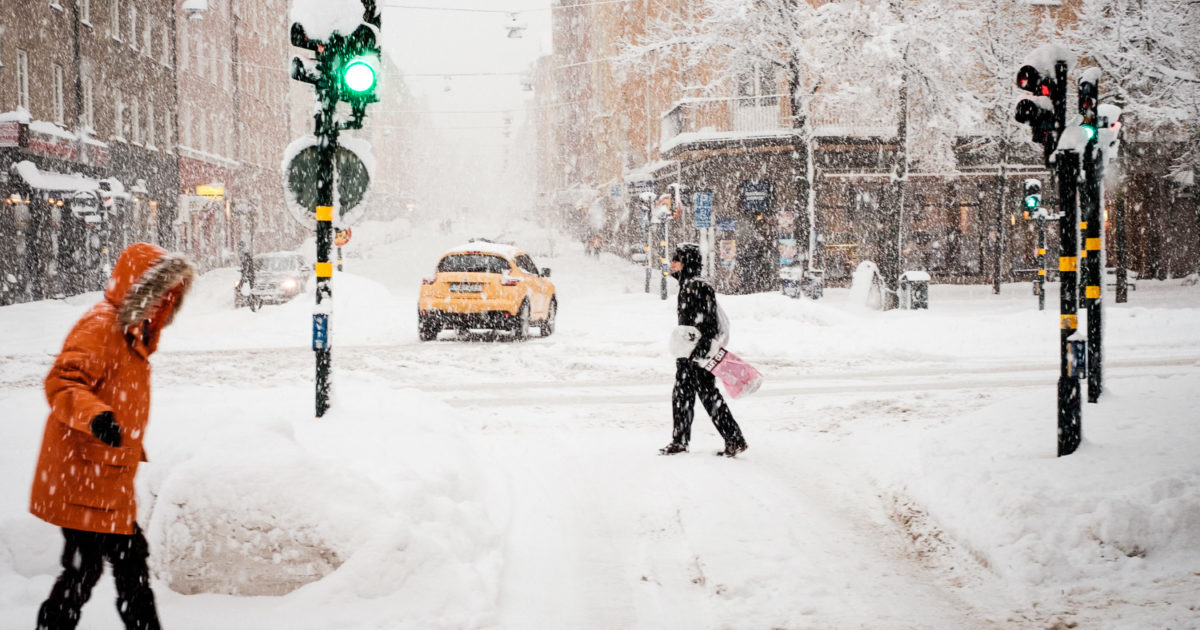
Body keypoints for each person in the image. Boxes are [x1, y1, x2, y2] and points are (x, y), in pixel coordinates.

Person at [30, 243, 195, 630]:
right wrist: (98, 416)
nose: (163, 305)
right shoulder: (102, 326)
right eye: (158, 295)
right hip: (82, 474)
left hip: (106, 476)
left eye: (171, 297)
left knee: (120, 566)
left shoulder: (130, 333)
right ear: (138, 290)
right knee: (90, 570)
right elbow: (62, 383)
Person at [660, 243, 748, 457]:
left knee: (701, 394)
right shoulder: (688, 284)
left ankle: (732, 438)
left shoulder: (697, 286)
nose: (672, 264)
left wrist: (699, 349)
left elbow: (707, 322)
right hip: (689, 351)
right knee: (685, 394)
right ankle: (682, 440)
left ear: (687, 262)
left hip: (696, 352)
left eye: (677, 259)